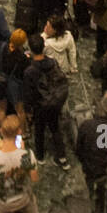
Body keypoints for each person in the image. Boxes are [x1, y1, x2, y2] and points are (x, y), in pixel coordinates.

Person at [24, 34, 70, 170]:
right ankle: (62, 158)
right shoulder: (53, 62)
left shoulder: (30, 71)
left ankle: (40, 157)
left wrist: (28, 111)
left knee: (39, 130)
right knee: (55, 128)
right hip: (55, 101)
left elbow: (28, 94)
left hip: (40, 105)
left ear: (30, 50)